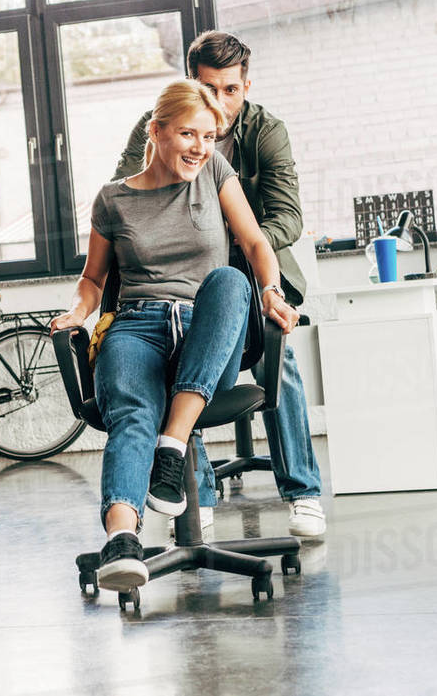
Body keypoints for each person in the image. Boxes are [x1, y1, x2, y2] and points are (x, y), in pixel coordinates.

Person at [52, 79, 301, 592]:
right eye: (188, 134)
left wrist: (272, 291)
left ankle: (173, 445)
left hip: (206, 332)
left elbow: (255, 242)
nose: (200, 147)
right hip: (136, 327)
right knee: (131, 414)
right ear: (156, 131)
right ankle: (122, 541)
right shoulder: (113, 200)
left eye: (208, 137)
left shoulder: (214, 172)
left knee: (230, 279)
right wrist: (78, 311)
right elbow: (93, 279)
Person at [114, 31, 326, 538]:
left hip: (251, 271)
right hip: (180, 276)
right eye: (209, 88)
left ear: (245, 86)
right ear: (191, 82)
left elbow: (288, 218)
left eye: (231, 89)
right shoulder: (157, 125)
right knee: (176, 355)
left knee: (279, 359)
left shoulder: (266, 132)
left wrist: (229, 237)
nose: (221, 101)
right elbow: (126, 200)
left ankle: (302, 491)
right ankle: (196, 493)